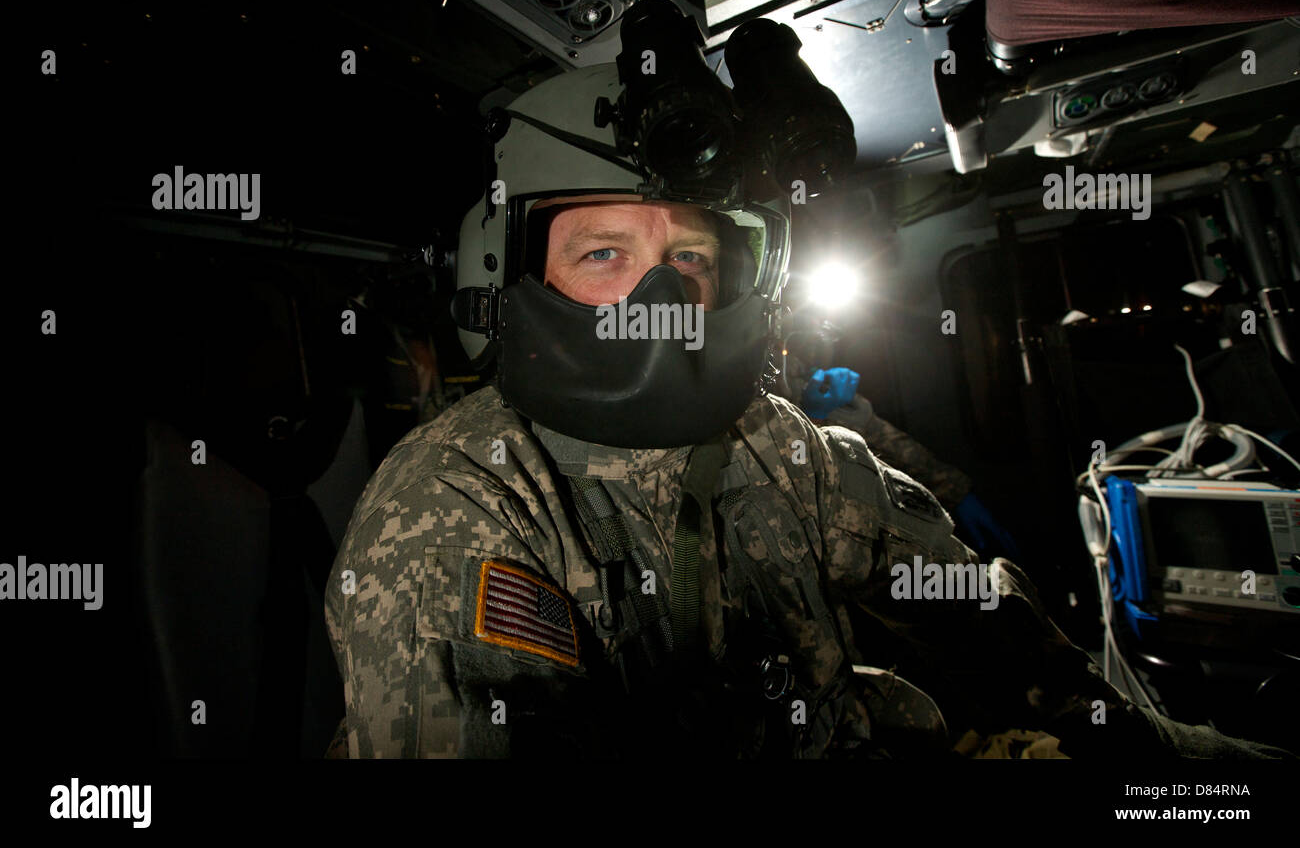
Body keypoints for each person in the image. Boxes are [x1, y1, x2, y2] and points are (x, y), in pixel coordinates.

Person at [324, 59, 1292, 759]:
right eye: (603, 254)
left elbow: (966, 609)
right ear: (502, 275)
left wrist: (1136, 747)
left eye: (692, 257)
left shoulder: (775, 442)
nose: (664, 299)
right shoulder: (456, 502)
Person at [778, 358, 1023, 561]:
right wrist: (813, 418)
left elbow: (877, 445)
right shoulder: (751, 376)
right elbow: (795, 480)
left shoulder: (791, 357)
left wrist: (954, 489)